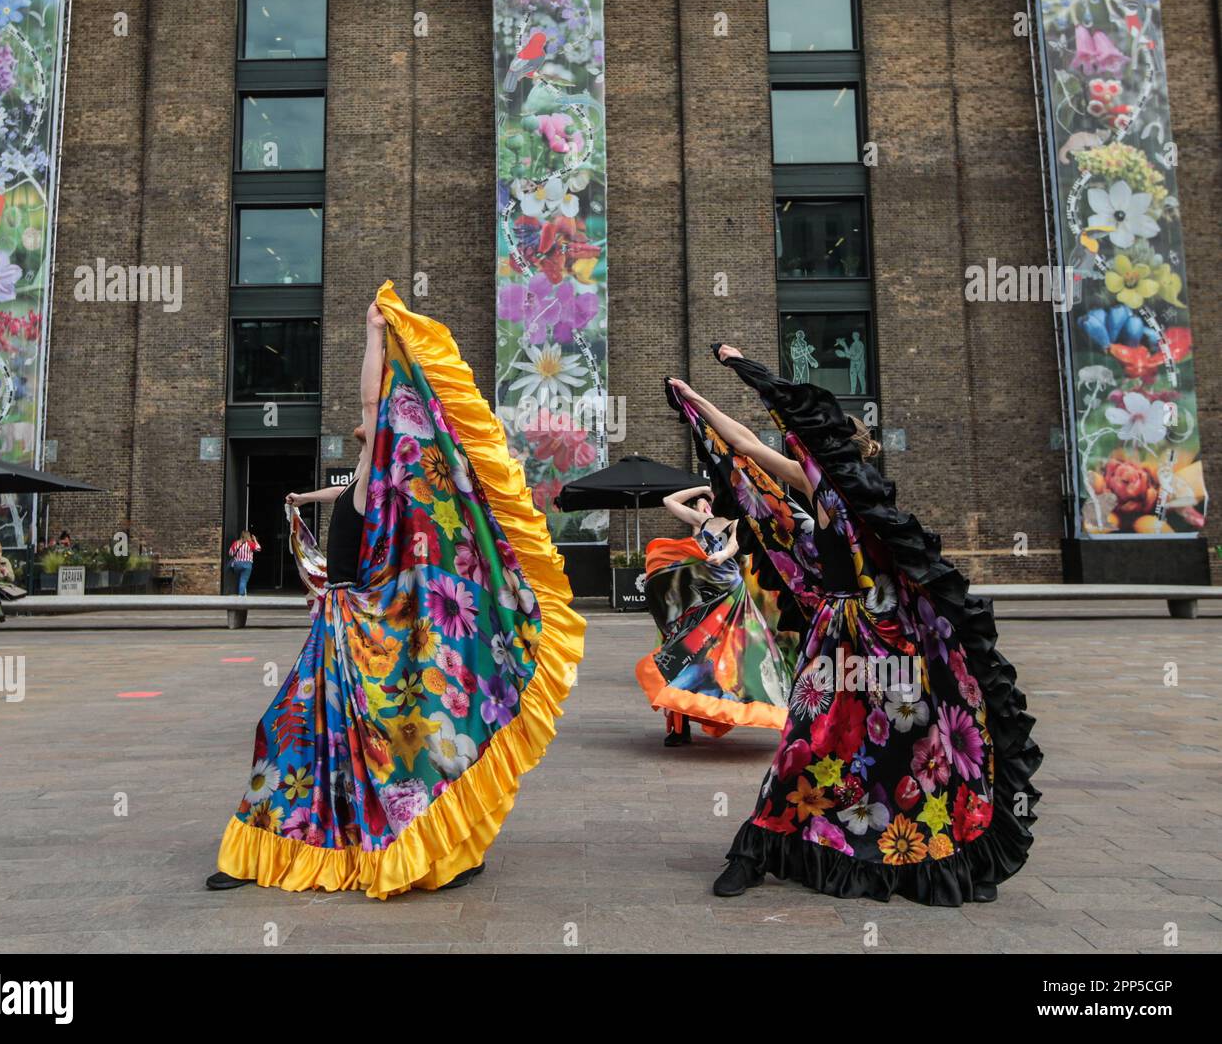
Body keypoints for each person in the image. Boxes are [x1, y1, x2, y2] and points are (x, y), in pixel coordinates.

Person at [206, 283, 585, 900]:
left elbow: (368, 394)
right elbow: (349, 463)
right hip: (338, 624)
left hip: (362, 624)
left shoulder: (382, 481)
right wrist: (303, 499)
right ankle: (264, 845)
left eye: (373, 418)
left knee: (389, 740)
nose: (367, 420)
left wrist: (375, 334)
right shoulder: (363, 481)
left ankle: (439, 843)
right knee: (296, 729)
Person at [664, 344, 1041, 906]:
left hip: (889, 643)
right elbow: (744, 442)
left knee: (909, 749)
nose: (799, 448)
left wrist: (742, 367)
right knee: (808, 741)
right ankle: (755, 850)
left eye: (811, 445)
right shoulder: (812, 485)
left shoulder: (865, 500)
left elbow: (787, 420)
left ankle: (930, 859)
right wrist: (697, 399)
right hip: (836, 635)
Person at [636, 483, 794, 747]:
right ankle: (679, 727)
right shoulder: (705, 519)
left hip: (726, 598)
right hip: (699, 599)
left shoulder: (736, 524)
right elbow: (669, 499)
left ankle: (773, 715)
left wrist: (722, 555)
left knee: (742, 657)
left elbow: (733, 546)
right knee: (684, 655)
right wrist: (701, 488)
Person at [227, 529, 261, 596]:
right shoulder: (250, 544)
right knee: (243, 580)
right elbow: (258, 548)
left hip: (237, 565)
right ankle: (241, 595)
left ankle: (242, 592)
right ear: (248, 536)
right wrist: (255, 540)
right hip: (247, 565)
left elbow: (230, 553)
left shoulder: (236, 543)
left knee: (241, 579)